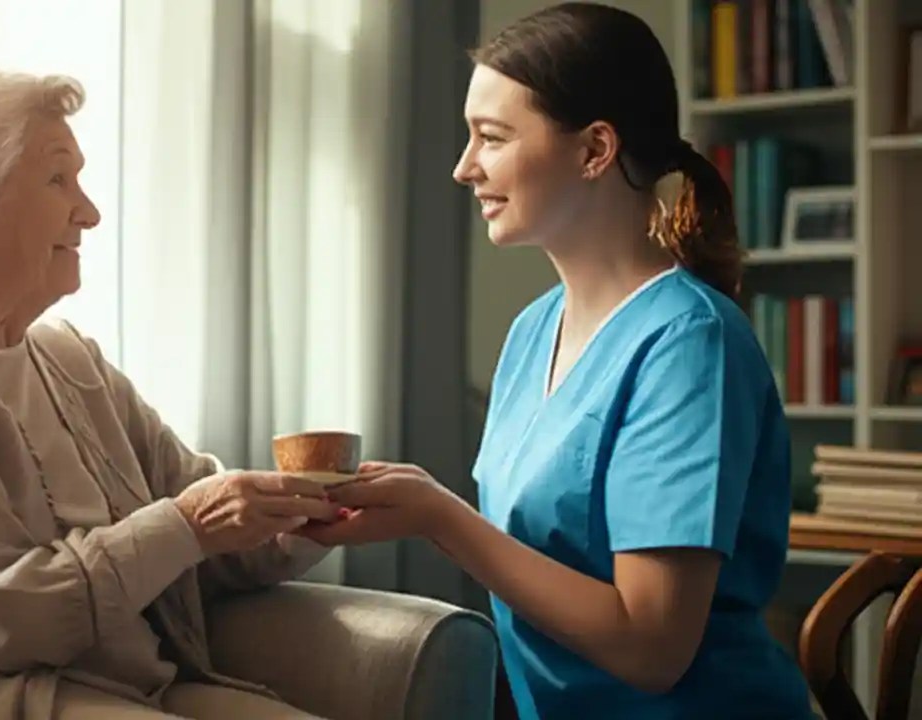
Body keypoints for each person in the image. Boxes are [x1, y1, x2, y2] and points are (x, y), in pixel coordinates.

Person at [300, 4, 814, 719]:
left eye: (493, 137)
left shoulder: (690, 345)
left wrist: (440, 517)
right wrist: (418, 504)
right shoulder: (532, 332)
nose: (463, 167)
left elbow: (650, 647)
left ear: (595, 150)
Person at [0, 63, 338, 719]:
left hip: (128, 693)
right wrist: (190, 523)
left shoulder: (69, 358)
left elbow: (197, 543)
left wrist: (305, 518)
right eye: (57, 178)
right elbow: (7, 622)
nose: (91, 212)